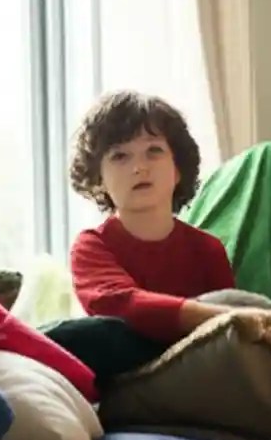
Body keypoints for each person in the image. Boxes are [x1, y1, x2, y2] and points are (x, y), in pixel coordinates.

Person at [68, 91, 238, 344]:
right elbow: (121, 304)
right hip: (131, 374)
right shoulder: (92, 246)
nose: (139, 167)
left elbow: (232, 336)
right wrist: (232, 317)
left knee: (256, 305)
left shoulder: (207, 249)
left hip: (206, 368)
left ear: (178, 170)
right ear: (98, 180)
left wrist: (242, 316)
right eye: (120, 156)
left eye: (154, 151)